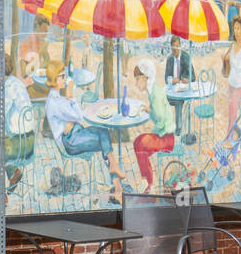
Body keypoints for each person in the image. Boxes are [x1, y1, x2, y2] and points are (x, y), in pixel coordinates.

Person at [43, 60, 127, 187]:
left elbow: (75, 116)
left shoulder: (56, 98)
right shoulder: (55, 102)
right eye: (62, 76)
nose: (65, 79)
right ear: (54, 78)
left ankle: (114, 171)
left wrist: (71, 116)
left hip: (75, 133)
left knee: (103, 131)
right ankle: (116, 182)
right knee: (104, 140)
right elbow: (78, 115)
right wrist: (71, 96)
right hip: (70, 141)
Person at [131, 58, 176, 192]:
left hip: (166, 138)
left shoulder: (155, 94)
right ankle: (146, 178)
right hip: (165, 133)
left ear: (145, 78)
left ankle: (149, 183)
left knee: (140, 143)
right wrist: (149, 110)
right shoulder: (154, 89)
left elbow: (161, 120)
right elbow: (158, 112)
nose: (136, 82)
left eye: (137, 79)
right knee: (138, 142)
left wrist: (153, 132)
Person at [224, 15, 241, 130]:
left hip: (239, 87)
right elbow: (228, 71)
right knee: (231, 112)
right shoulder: (232, 45)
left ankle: (229, 139)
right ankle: (232, 135)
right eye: (235, 28)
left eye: (238, 28)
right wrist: (225, 60)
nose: (236, 31)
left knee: (233, 110)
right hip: (230, 84)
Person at [163, 35, 193, 139]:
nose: (175, 50)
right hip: (172, 90)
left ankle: (178, 130)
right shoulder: (170, 59)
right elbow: (166, 77)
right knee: (162, 100)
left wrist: (187, 78)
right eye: (173, 48)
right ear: (171, 48)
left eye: (177, 47)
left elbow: (193, 76)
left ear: (180, 46)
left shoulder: (186, 57)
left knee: (178, 102)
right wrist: (172, 80)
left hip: (183, 91)